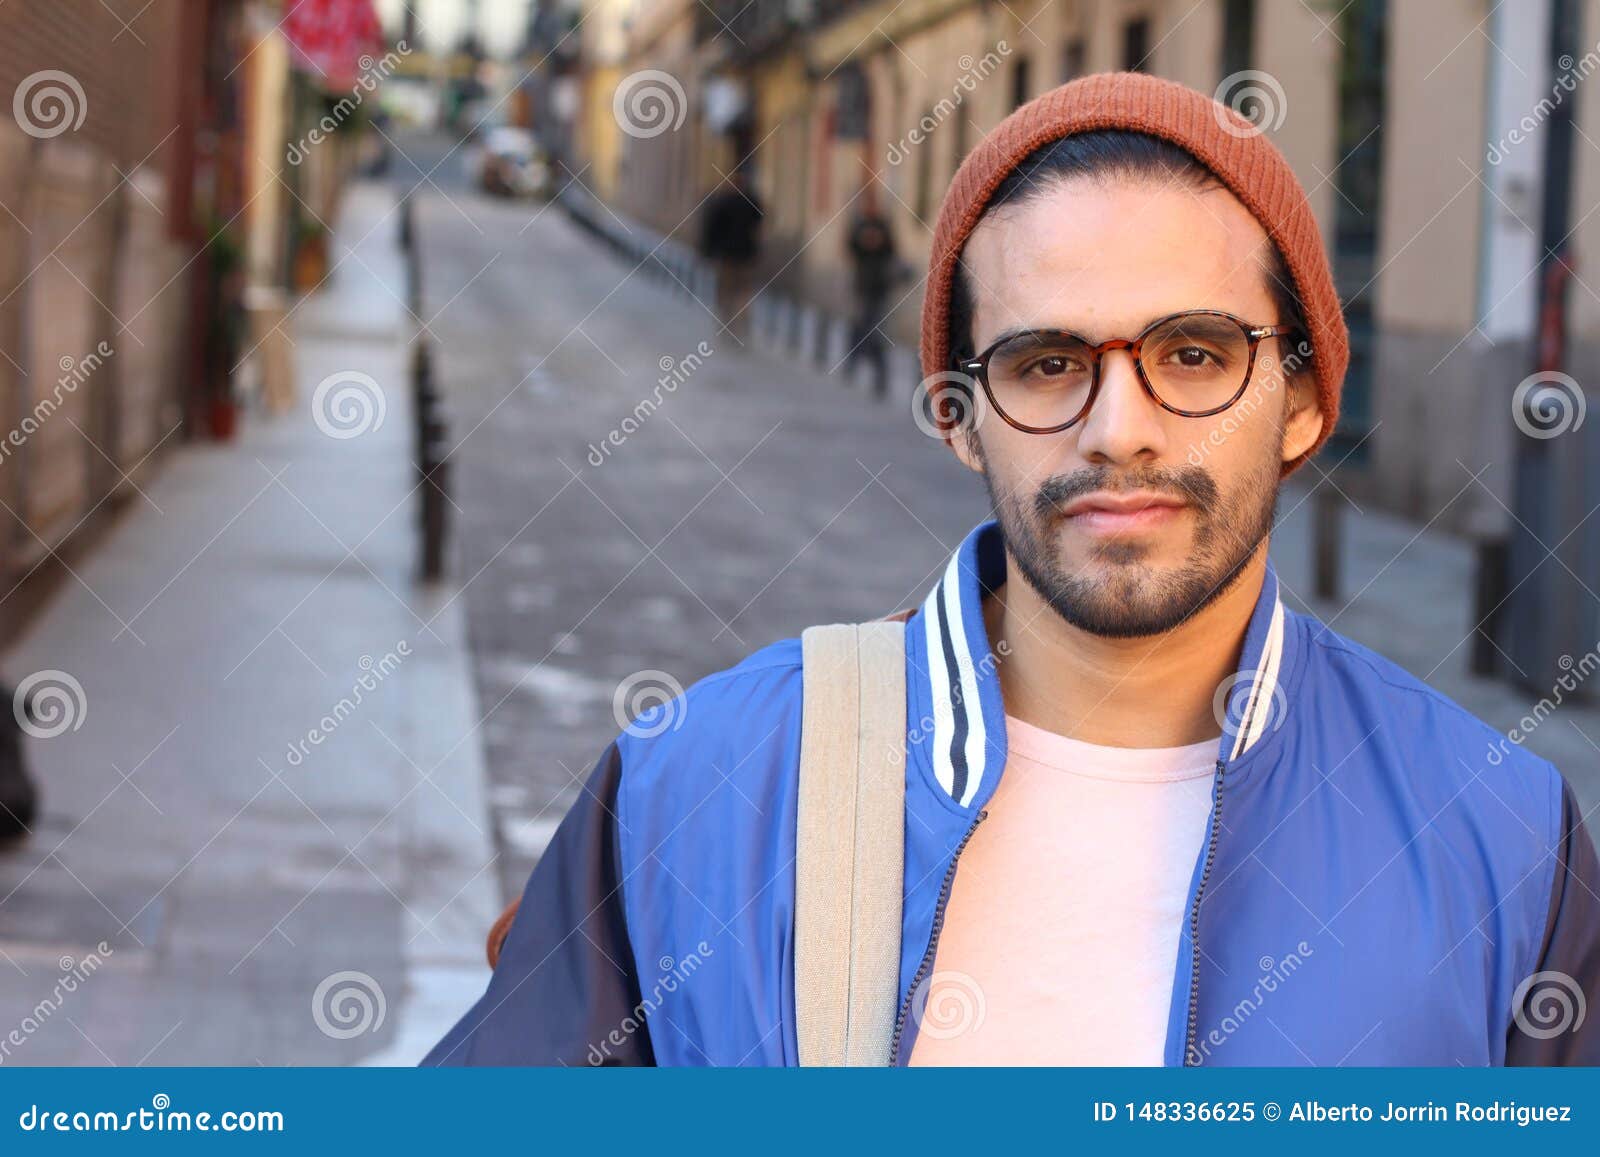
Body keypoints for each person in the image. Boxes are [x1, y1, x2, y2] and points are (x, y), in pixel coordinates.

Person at [425, 72, 1600, 1067]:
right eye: (1046, 364)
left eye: (1195, 354)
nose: (1118, 430)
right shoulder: (691, 791)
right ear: (958, 415)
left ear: (1302, 400)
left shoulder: (1503, 840)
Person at [845, 194, 902, 397]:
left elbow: (892, 250)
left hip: (880, 286)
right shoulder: (859, 225)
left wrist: (879, 241)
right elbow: (850, 247)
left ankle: (879, 372)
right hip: (862, 285)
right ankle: (854, 361)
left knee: (875, 330)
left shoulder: (883, 226)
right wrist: (863, 241)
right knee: (859, 325)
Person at [699, 169, 764, 344]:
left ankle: (728, 327)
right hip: (746, 255)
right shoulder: (752, 203)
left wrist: (708, 252)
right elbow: (760, 225)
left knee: (727, 293)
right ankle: (741, 330)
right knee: (743, 294)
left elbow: (712, 230)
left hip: (728, 256)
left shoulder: (723, 202)